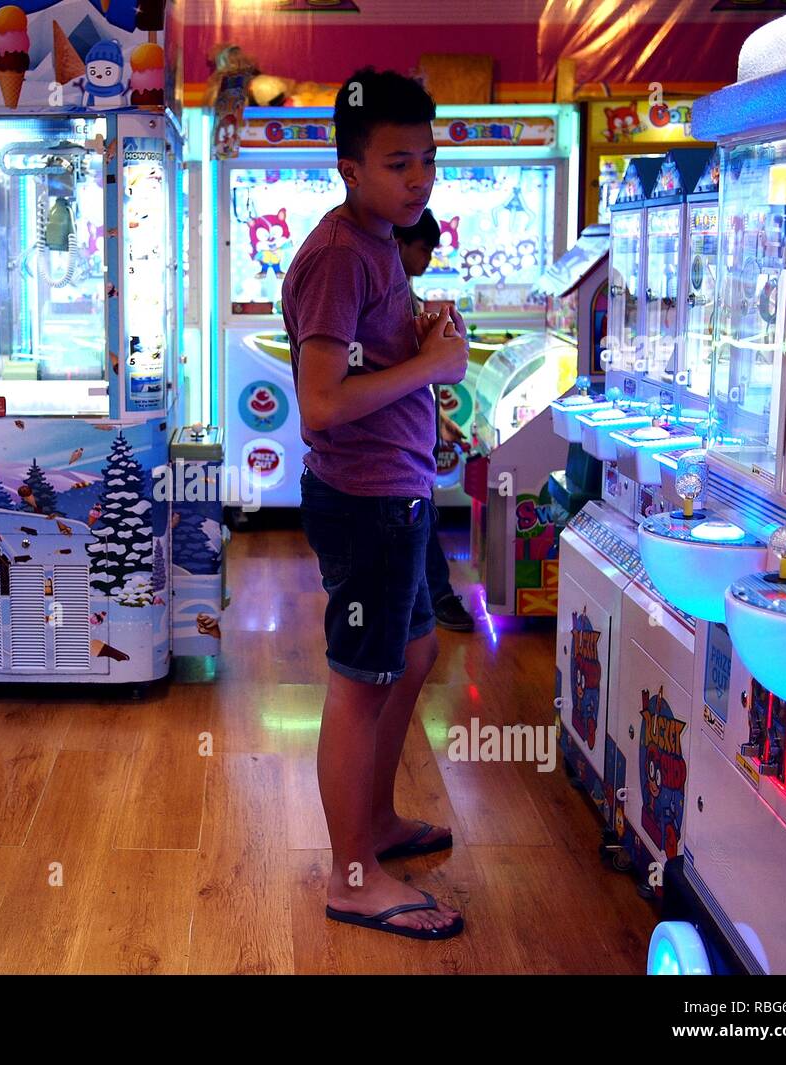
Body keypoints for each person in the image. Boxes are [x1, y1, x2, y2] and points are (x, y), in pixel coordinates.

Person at [283, 68, 467, 942]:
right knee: (362, 682)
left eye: (426, 159)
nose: (419, 179)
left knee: (420, 649)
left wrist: (418, 330)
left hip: (401, 492)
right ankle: (351, 875)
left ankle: (378, 823)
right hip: (367, 502)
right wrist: (431, 368)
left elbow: (366, 355)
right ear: (350, 167)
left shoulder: (383, 242)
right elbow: (320, 404)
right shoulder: (339, 255)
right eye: (399, 163)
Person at [393, 210, 477, 633]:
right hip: (397, 441)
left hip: (410, 432)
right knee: (417, 514)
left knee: (419, 517)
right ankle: (435, 597)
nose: (427, 259)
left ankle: (426, 599)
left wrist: (438, 421)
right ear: (400, 244)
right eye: (423, 249)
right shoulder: (393, 297)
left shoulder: (405, 294)